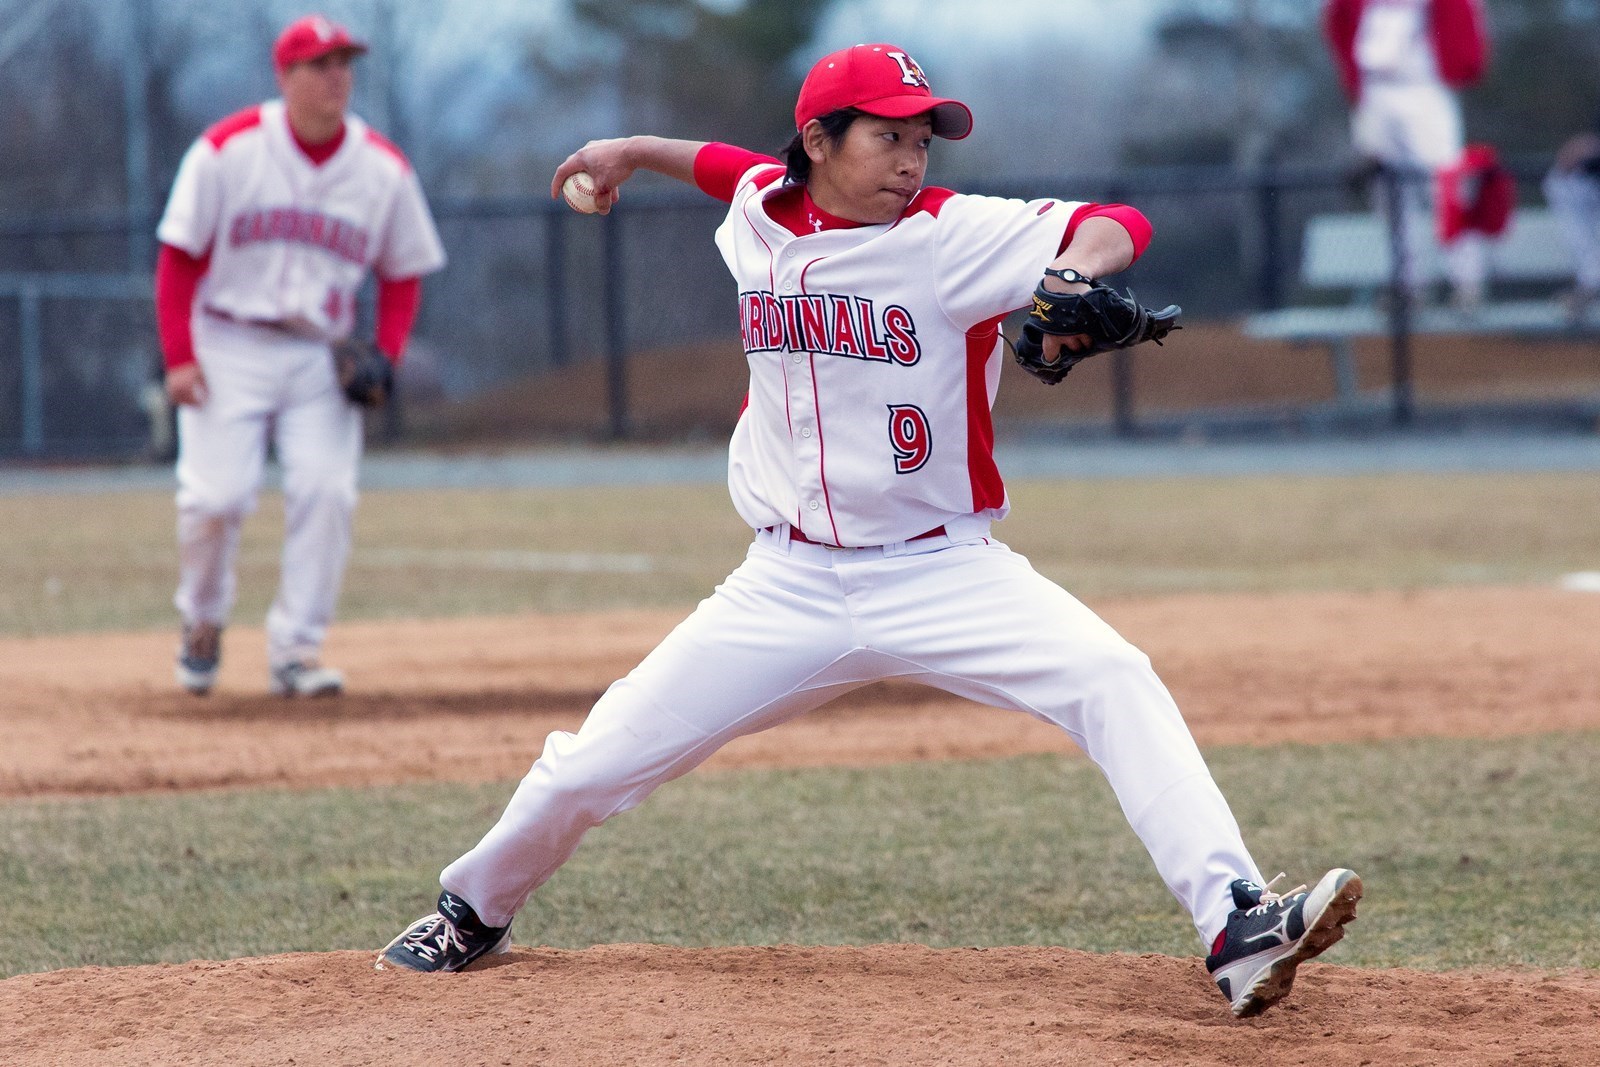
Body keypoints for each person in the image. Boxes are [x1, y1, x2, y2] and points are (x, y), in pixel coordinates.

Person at [374, 43, 1362, 1019]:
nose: (910, 159)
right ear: (817, 141)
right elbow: (726, 165)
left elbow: (1117, 221)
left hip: (945, 570)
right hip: (785, 584)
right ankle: (473, 907)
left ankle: (1235, 927)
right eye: (887, 135)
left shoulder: (949, 236)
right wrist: (628, 148)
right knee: (596, 758)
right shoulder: (761, 210)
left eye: (922, 138)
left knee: (1113, 677)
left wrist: (1070, 273)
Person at [153, 15, 446, 698]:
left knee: (326, 490)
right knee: (214, 499)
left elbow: (403, 272)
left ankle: (297, 649)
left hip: (320, 353)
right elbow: (179, 257)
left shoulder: (381, 168)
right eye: (319, 64)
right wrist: (179, 355)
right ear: (284, 76)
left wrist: (388, 355)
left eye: (344, 63)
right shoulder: (227, 150)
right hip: (227, 339)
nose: (336, 76)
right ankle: (201, 620)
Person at [1323, 0, 1491, 309]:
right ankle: (1409, 285)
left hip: (1424, 88)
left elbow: (1465, 24)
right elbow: (1339, 24)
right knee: (1387, 193)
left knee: (1448, 187)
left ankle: (1468, 284)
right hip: (1376, 92)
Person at [1543, 112, 1600, 319]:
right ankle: (1586, 293)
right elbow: (1568, 159)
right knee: (1585, 246)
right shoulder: (1588, 148)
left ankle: (1586, 291)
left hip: (1585, 187)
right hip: (1575, 190)